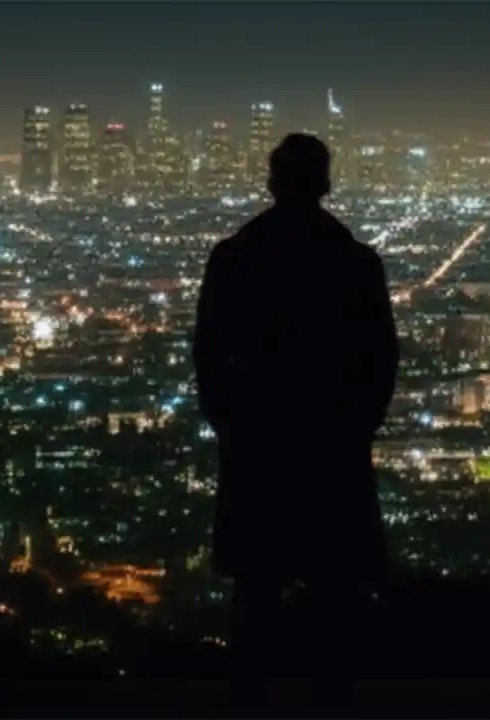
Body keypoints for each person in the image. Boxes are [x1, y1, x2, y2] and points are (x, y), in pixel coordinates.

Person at [192, 134, 400, 702]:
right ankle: (331, 696)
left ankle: (250, 697)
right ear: (326, 183)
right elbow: (381, 357)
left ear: (271, 182)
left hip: (258, 443)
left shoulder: (236, 258)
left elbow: (209, 354)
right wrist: (357, 425)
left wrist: (231, 424)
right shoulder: (354, 262)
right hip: (332, 443)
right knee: (335, 582)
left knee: (256, 584)